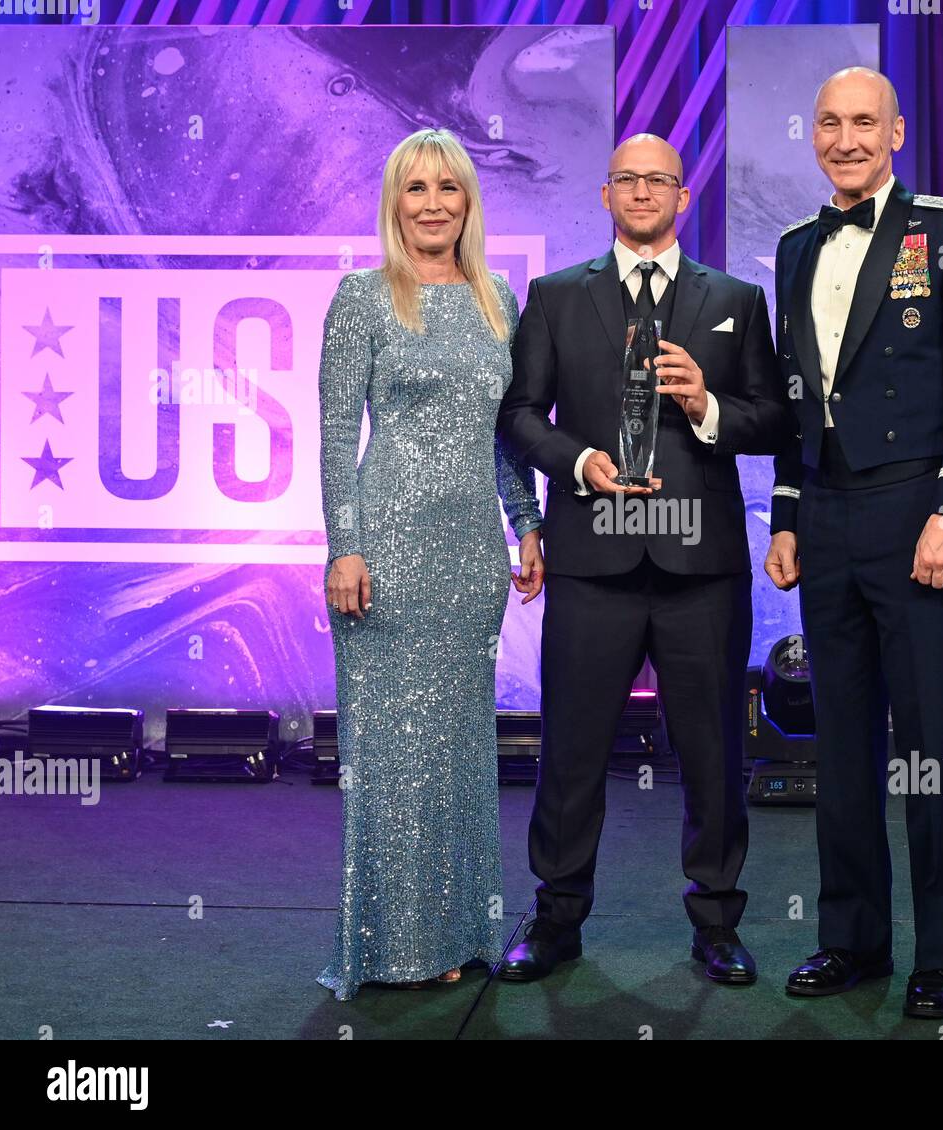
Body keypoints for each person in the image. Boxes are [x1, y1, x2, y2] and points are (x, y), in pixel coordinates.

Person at [496, 133, 788, 985]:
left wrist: (707, 407)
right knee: (573, 750)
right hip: (593, 559)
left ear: (684, 198)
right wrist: (579, 463)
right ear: (606, 194)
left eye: (660, 179)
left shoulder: (736, 299)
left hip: (703, 564)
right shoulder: (553, 298)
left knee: (713, 752)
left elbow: (772, 419)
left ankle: (717, 922)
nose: (643, 192)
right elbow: (519, 415)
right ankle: (555, 922)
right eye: (628, 179)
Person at [765, 68, 943, 1018]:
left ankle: (942, 953)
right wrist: (786, 512)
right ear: (814, 135)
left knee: (933, 748)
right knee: (844, 748)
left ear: (897, 131)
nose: (845, 137)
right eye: (829, 122)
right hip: (825, 521)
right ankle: (852, 940)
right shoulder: (792, 248)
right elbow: (795, 396)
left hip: (919, 518)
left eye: (863, 121)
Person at [315, 128, 544, 1000]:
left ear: (469, 202)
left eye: (449, 188)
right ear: (394, 202)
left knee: (455, 751)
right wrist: (345, 545)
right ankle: (389, 946)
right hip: (386, 554)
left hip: (469, 561)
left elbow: (505, 437)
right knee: (390, 756)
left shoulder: (498, 303)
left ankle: (458, 933)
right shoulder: (364, 299)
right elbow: (339, 436)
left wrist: (526, 524)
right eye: (417, 189)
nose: (434, 203)